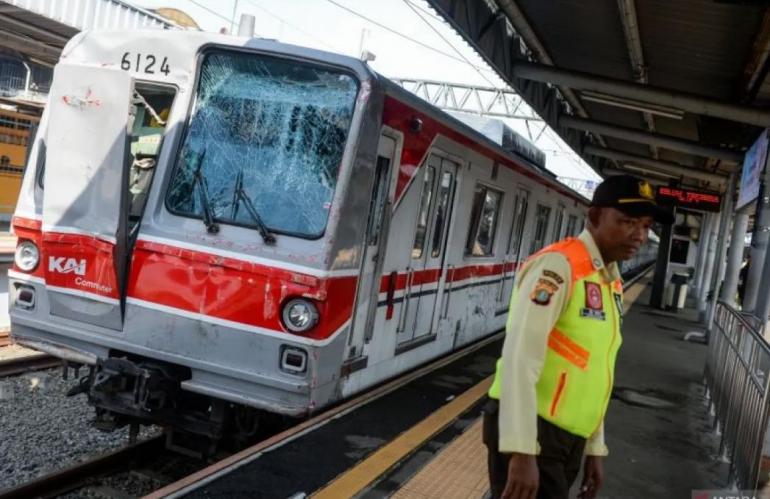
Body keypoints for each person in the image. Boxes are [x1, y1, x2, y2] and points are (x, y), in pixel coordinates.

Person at [483, 175, 674, 499]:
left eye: (645, 225)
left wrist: (595, 446)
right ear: (595, 217)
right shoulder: (559, 267)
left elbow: (596, 369)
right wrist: (522, 450)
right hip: (536, 433)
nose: (639, 235)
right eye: (628, 222)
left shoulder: (607, 279)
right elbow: (519, 356)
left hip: (567, 438)